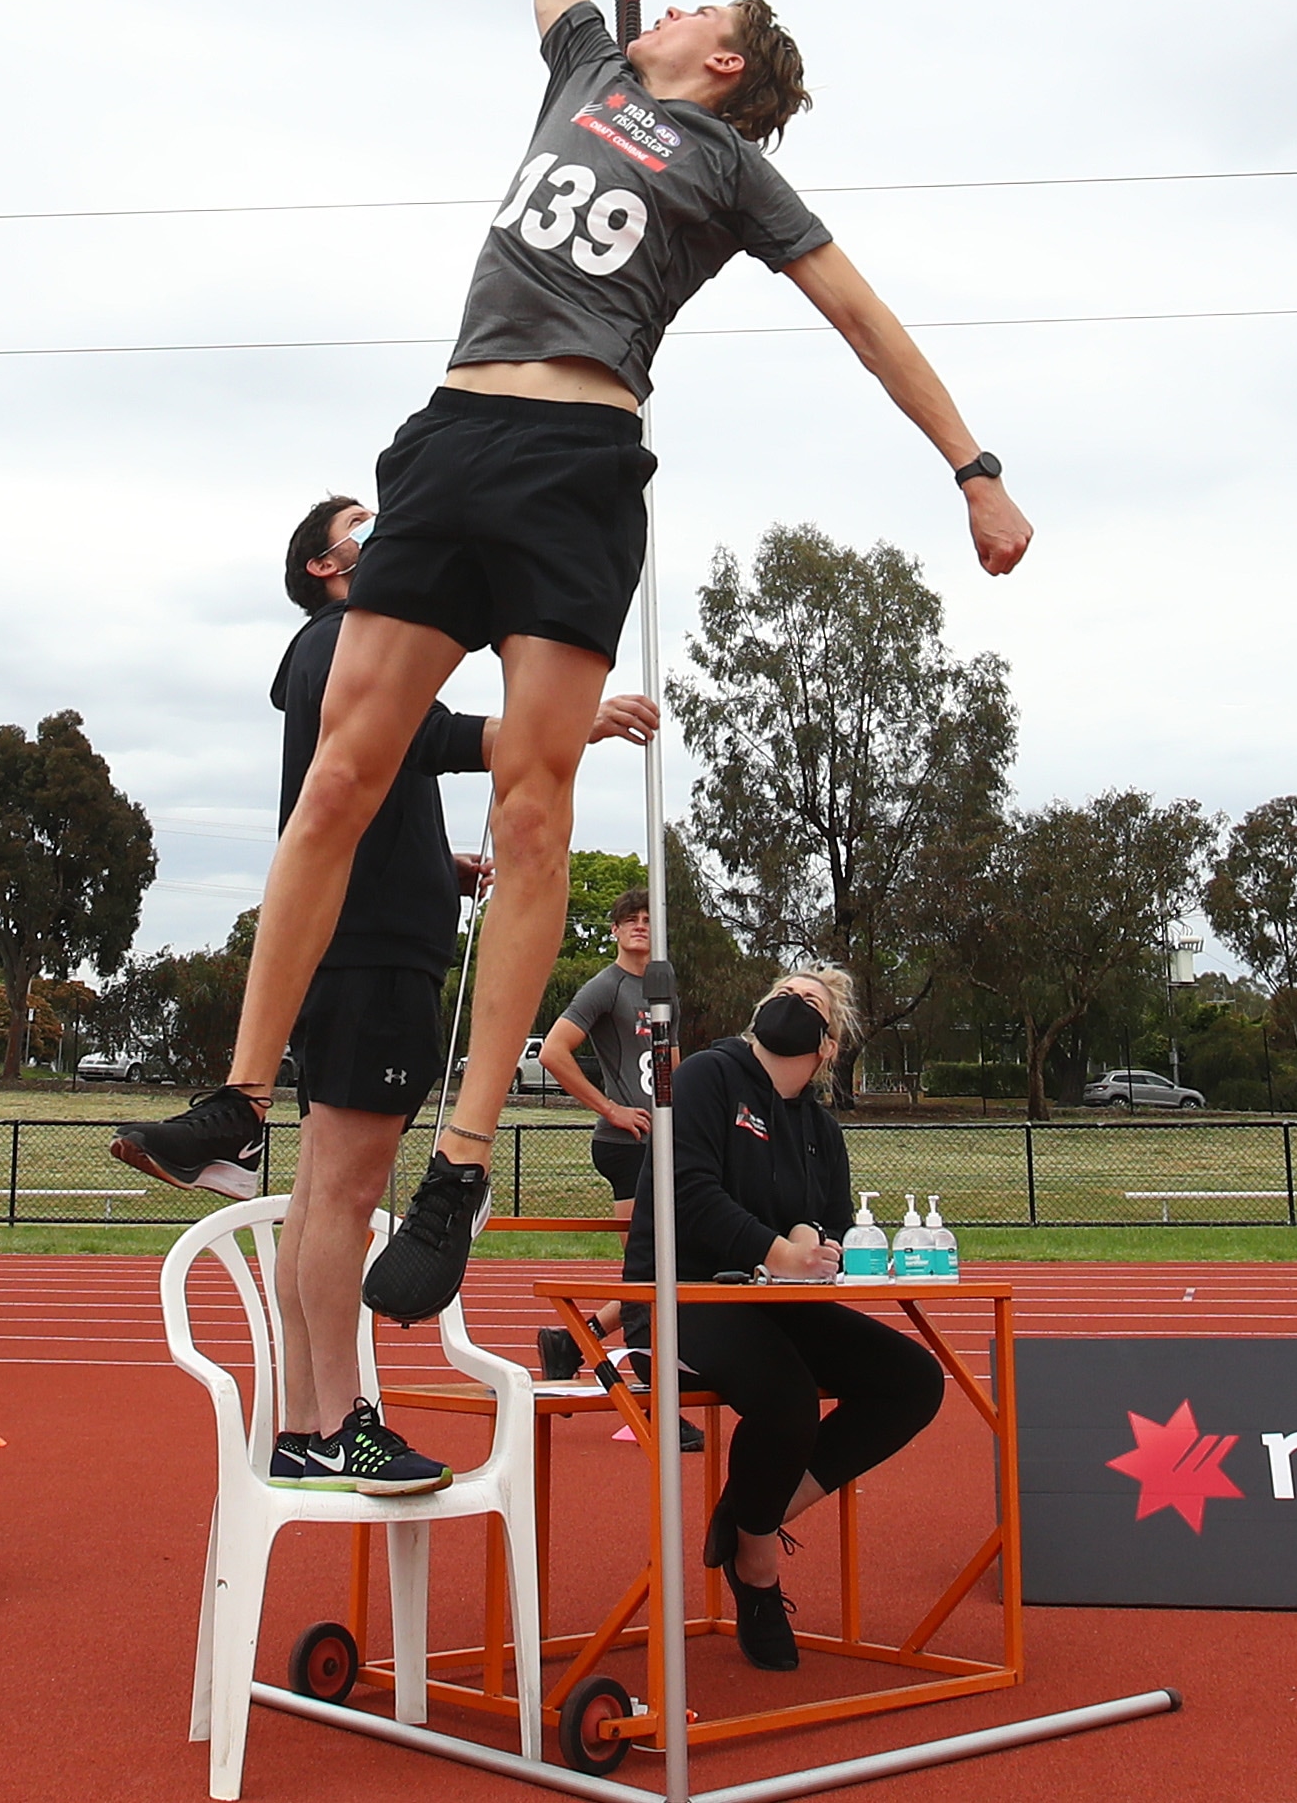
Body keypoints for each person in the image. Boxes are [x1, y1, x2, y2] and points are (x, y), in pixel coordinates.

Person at [120, 0, 1035, 1331]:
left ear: (728, 59)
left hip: (574, 469)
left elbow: (860, 313)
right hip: (453, 431)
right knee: (340, 764)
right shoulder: (585, 69)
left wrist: (968, 465)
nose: (663, 2)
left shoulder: (734, 173)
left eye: (698, 3)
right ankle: (234, 1093)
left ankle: (461, 1159)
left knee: (533, 802)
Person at [255, 493, 657, 1492]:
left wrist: (442, 865)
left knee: (317, 1194)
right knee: (342, 1199)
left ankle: (307, 1422)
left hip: (351, 949)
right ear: (324, 565)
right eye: (367, 528)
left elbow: (390, 771)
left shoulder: (326, 653)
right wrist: (574, 716)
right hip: (371, 955)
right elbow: (436, 735)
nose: (390, 535)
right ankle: (335, 1421)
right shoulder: (345, 639)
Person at [638, 968, 944, 1672]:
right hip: (686, 1296)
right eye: (787, 993)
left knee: (912, 1381)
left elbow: (834, 1219)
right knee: (788, 1399)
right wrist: (777, 1249)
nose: (793, 1005)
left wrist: (816, 1240)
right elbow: (686, 1191)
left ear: (829, 1045)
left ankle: (755, 1513)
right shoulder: (710, 1075)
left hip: (778, 1302)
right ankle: (760, 1569)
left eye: (813, 1004)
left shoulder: (820, 1125)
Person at [540, 886, 663, 1219]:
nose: (640, 926)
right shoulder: (606, 986)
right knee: (644, 1255)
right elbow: (552, 1052)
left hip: (664, 1136)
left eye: (649, 920)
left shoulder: (664, 987)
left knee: (678, 1249)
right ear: (615, 930)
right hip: (627, 1141)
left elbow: (671, 1062)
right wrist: (611, 1110)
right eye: (630, 919)